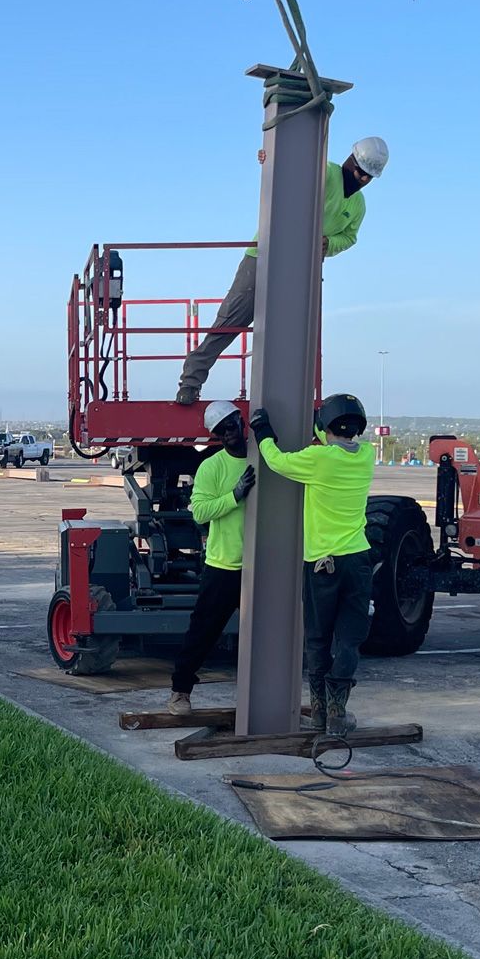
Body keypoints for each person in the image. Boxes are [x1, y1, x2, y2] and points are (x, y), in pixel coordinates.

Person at [175, 137, 388, 405]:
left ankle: (283, 396)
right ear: (350, 159)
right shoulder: (322, 172)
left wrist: (330, 243)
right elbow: (285, 176)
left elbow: (349, 237)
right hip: (264, 255)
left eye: (369, 177)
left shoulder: (358, 206)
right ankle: (191, 382)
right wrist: (269, 160)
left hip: (302, 268)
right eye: (360, 171)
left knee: (290, 333)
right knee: (229, 323)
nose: (363, 179)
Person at [249, 393, 376, 737]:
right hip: (358, 560)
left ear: (324, 426)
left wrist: (263, 430)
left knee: (318, 639)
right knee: (349, 639)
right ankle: (338, 713)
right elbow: (335, 442)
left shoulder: (317, 459)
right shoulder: (367, 455)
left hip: (322, 563)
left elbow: (276, 460)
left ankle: (318, 713)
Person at [167, 402, 257, 715]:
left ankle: (271, 697)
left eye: (231, 426)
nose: (228, 434)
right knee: (203, 631)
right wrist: (235, 495)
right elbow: (200, 512)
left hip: (262, 566)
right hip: (225, 564)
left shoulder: (264, 458)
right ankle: (180, 692)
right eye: (220, 432)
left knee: (272, 633)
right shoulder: (212, 467)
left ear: (241, 422)